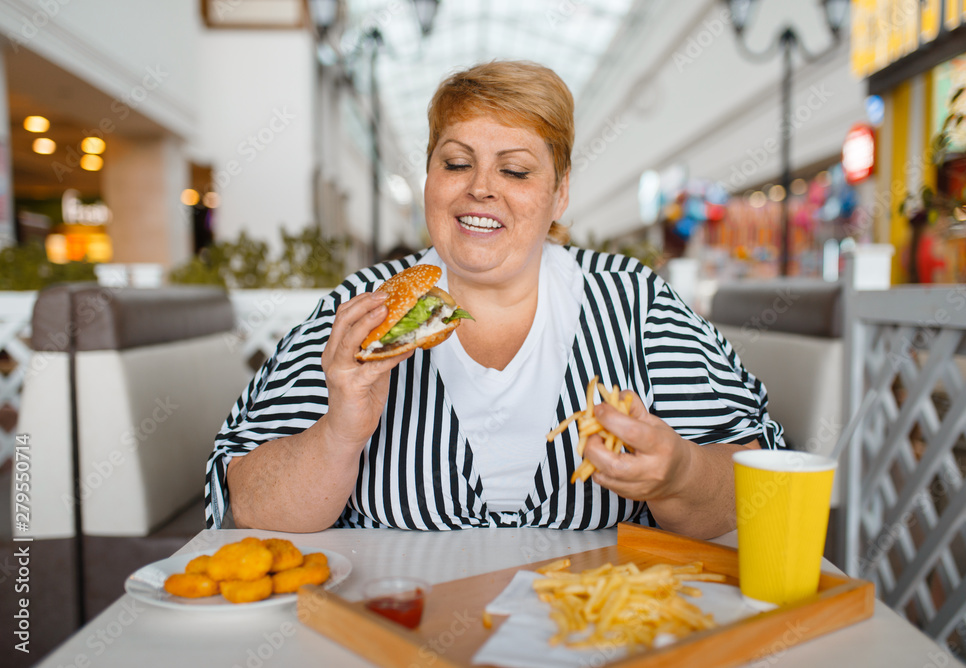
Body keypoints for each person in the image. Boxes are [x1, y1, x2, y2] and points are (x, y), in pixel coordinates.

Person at [206, 61, 783, 538]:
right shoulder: (365, 304)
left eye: (516, 171)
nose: (480, 187)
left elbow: (753, 489)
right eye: (457, 163)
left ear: (559, 194)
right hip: (393, 621)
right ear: (429, 178)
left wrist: (679, 474)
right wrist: (339, 431)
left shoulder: (635, 303)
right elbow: (252, 506)